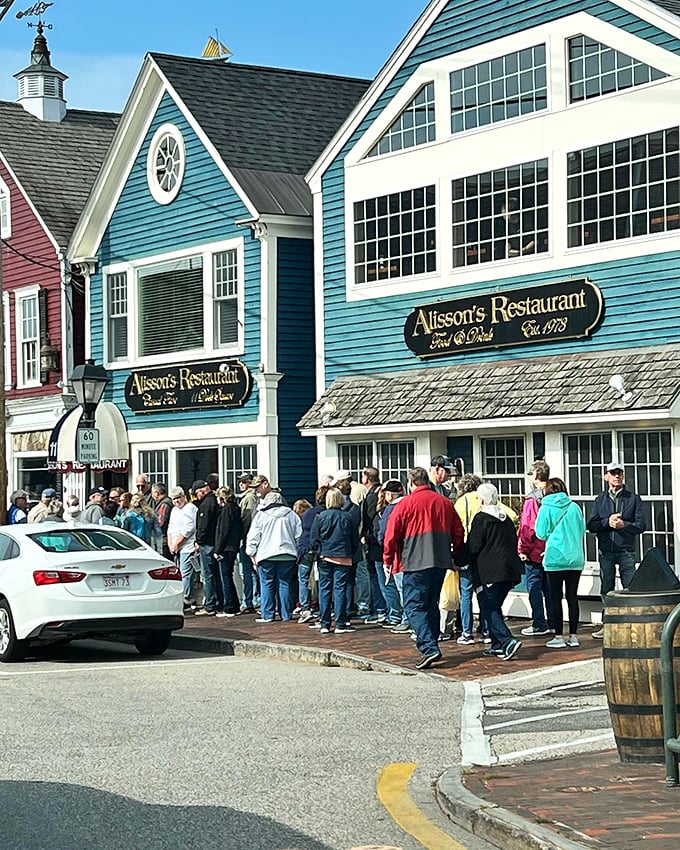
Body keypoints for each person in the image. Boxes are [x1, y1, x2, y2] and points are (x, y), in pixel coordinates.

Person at [383, 467, 464, 670]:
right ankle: (432, 642)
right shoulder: (445, 503)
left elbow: (391, 535)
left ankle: (429, 647)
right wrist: (455, 553)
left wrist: (388, 559)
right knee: (430, 604)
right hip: (439, 560)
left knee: (413, 605)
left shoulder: (406, 504)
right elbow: (458, 531)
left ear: (411, 483)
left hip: (414, 561)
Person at [456, 482, 523, 662]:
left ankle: (507, 640)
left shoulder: (481, 519)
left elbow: (473, 547)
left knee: (489, 608)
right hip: (509, 571)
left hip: (490, 572)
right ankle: (497, 644)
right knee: (494, 606)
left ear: (482, 499)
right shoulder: (506, 518)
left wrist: (458, 560)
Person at [587, 461, 646, 638]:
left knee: (630, 586)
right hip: (606, 550)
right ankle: (608, 625)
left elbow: (641, 525)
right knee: (607, 588)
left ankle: (631, 623)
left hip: (626, 550)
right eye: (613, 473)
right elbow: (592, 525)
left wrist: (623, 525)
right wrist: (607, 522)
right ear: (606, 477)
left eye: (619, 472)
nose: (617, 476)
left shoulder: (633, 498)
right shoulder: (600, 499)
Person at [535, 478, 586, 649]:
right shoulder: (575, 507)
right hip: (575, 558)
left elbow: (540, 533)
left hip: (555, 558)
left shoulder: (546, 507)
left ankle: (558, 636)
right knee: (572, 597)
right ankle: (573, 636)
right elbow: (581, 530)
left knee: (555, 598)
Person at [309, 487, 360, 634]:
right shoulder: (348, 517)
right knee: (340, 590)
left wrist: (319, 552)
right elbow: (354, 539)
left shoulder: (320, 516)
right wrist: (350, 552)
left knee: (324, 590)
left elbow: (314, 539)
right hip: (343, 557)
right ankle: (340, 623)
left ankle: (325, 623)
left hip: (325, 556)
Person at [246, 491, 301, 623]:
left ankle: (268, 615)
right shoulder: (291, 515)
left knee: (267, 584)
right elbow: (298, 536)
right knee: (285, 584)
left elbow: (253, 537)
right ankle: (286, 614)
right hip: (288, 555)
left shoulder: (261, 516)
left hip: (266, 555)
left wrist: (251, 553)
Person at [518, 460, 553, 638]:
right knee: (550, 588)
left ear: (537, 475)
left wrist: (523, 549)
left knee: (534, 587)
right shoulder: (556, 495)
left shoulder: (533, 499)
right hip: (553, 549)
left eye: (531, 474)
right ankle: (554, 621)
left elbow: (528, 526)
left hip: (535, 551)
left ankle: (539, 623)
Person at [376, 480, 410, 634]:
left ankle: (407, 619)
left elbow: (384, 535)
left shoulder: (390, 510)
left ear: (389, 494)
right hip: (415, 551)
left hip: (399, 554)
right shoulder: (411, 503)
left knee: (402, 589)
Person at [358, 466, 387, 622]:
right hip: (381, 540)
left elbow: (368, 519)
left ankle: (381, 609)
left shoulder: (371, 496)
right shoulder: (380, 492)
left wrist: (365, 537)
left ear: (366, 479)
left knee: (376, 577)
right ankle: (384, 609)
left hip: (374, 541)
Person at [213, 485, 243, 617]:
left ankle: (230, 606)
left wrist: (217, 549)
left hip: (226, 548)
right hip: (233, 546)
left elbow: (223, 531)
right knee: (228, 576)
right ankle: (234, 604)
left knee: (225, 577)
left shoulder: (226, 510)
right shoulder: (236, 508)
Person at [167, 486, 198, 613]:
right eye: (174, 499)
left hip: (187, 546)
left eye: (178, 498)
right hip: (176, 547)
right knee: (178, 573)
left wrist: (177, 543)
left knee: (186, 573)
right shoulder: (174, 510)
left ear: (184, 496)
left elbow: (189, 529)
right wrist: (171, 543)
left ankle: (187, 598)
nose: (176, 501)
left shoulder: (190, 508)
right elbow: (170, 527)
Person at [192, 479, 220, 617]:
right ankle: (218, 602)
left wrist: (198, 540)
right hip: (215, 543)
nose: (197, 496)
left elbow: (203, 526)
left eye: (197, 493)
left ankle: (209, 605)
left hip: (207, 544)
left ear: (202, 490)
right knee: (215, 574)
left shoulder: (206, 505)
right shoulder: (215, 501)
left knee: (207, 575)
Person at [238, 474, 260, 613]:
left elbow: (248, 519)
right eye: (240, 482)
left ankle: (252, 600)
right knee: (246, 571)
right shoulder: (246, 497)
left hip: (248, 538)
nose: (241, 484)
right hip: (247, 538)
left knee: (248, 571)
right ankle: (251, 599)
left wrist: (243, 535)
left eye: (244, 482)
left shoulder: (250, 497)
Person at [151, 482, 174, 558]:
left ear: (157, 493)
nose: (152, 495)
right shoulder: (164, 503)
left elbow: (160, 522)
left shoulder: (164, 504)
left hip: (164, 540)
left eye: (152, 493)